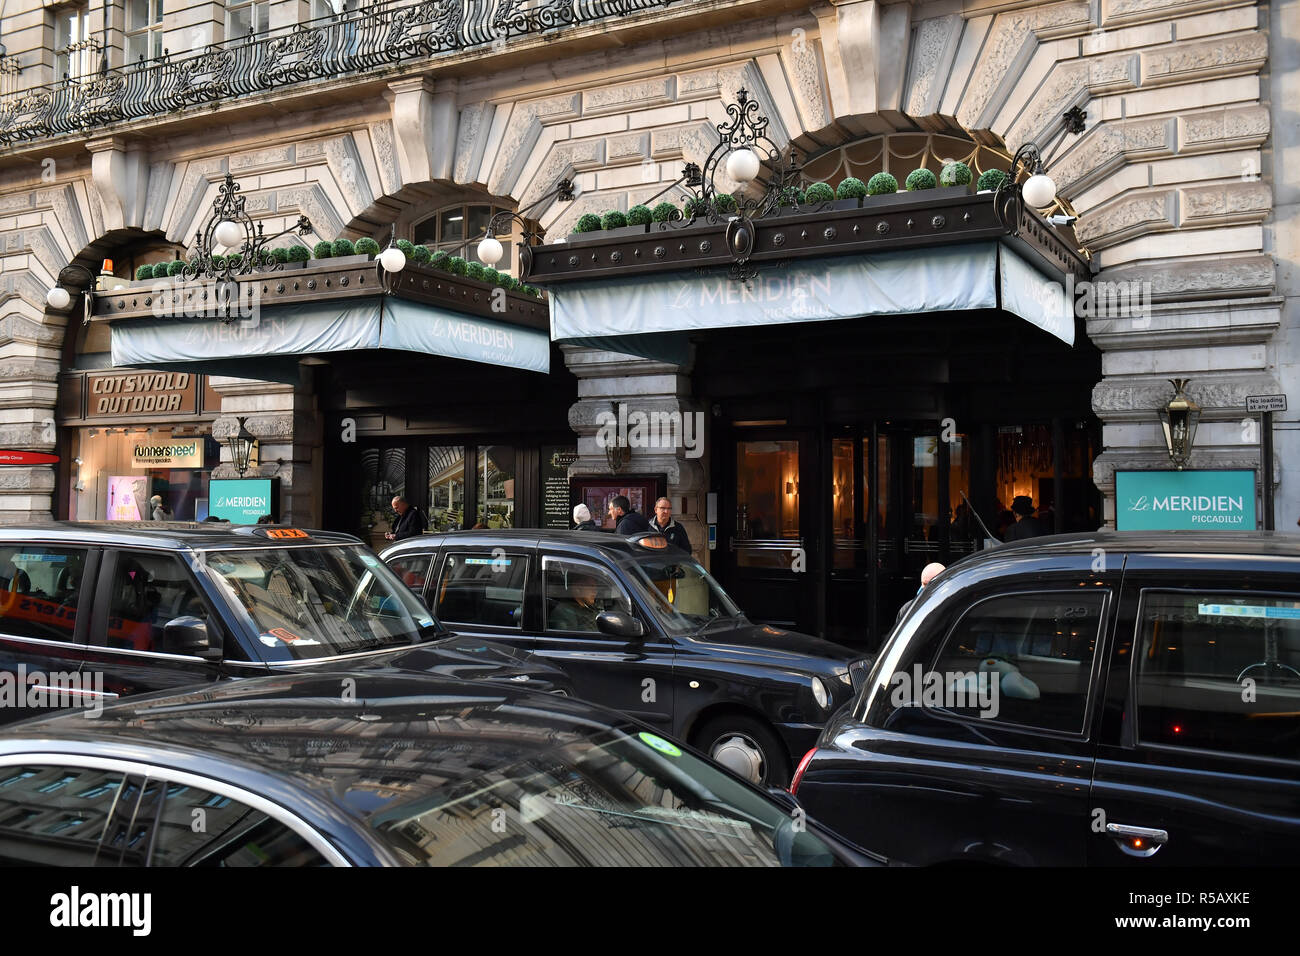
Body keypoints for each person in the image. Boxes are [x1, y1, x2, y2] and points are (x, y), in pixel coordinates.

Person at [895, 562, 945, 627]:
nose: (926, 589)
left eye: (932, 584)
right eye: (925, 584)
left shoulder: (954, 608)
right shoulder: (907, 609)